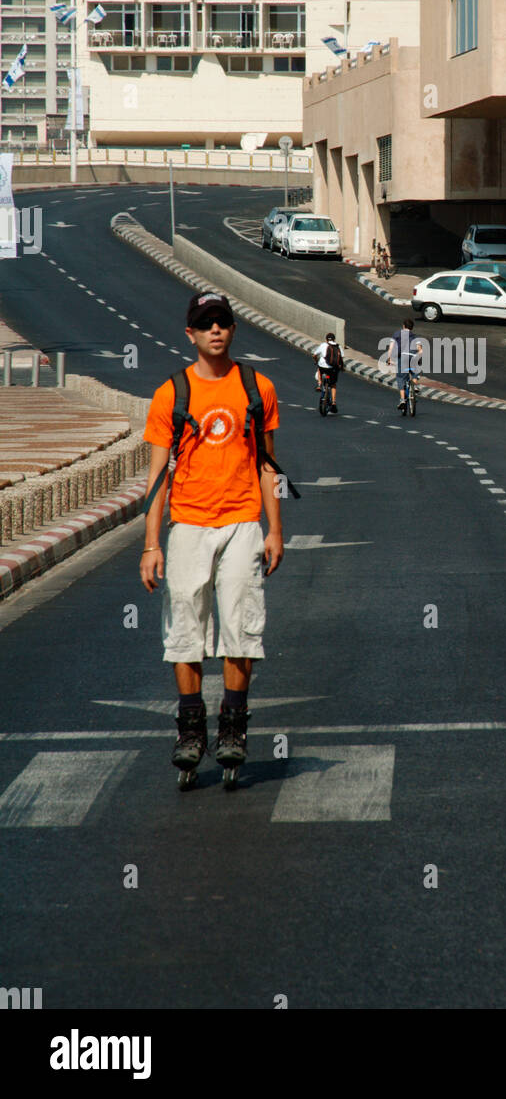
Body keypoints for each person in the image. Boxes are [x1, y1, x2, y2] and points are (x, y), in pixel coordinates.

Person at [140, 291, 284, 775]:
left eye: (222, 322)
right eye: (206, 324)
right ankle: (190, 729)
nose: (215, 330)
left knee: (241, 625)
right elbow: (157, 477)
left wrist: (274, 530)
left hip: (243, 523)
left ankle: (233, 727)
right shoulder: (171, 394)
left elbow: (267, 465)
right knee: (185, 627)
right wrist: (150, 544)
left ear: (233, 330)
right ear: (191, 334)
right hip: (188, 526)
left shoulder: (256, 387)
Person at [387, 317, 424, 413]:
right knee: (415, 370)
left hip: (403, 357)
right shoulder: (415, 337)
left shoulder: (397, 334)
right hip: (413, 356)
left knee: (400, 378)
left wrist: (389, 358)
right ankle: (415, 385)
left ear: (403, 326)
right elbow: (420, 350)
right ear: (412, 328)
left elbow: (391, 347)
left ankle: (402, 400)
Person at [314, 330, 344, 412]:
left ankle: (319, 384)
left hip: (323, 367)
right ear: (334, 339)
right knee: (333, 384)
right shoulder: (338, 347)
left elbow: (315, 354)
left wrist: (316, 361)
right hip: (333, 368)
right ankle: (333, 402)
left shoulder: (323, 345)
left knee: (319, 368)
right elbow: (341, 357)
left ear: (326, 339)